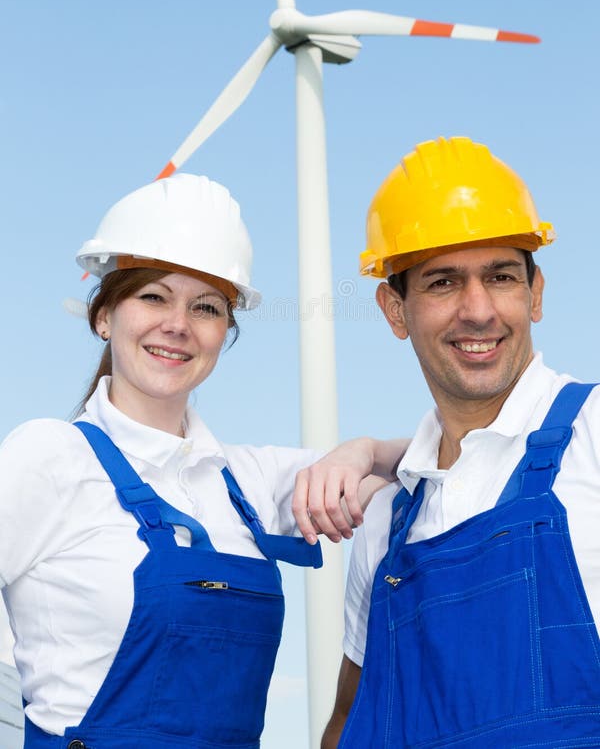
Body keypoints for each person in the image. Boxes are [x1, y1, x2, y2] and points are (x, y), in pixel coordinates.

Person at [0, 173, 404, 749]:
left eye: (206, 307)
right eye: (153, 296)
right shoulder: (47, 458)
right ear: (103, 316)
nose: (178, 325)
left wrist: (362, 450)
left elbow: (437, 465)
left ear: (224, 334)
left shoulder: (247, 482)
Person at [322, 135, 600, 747]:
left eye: (500, 276)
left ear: (536, 292)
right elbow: (346, 724)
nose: (478, 310)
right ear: (395, 310)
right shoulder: (383, 527)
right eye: (443, 282)